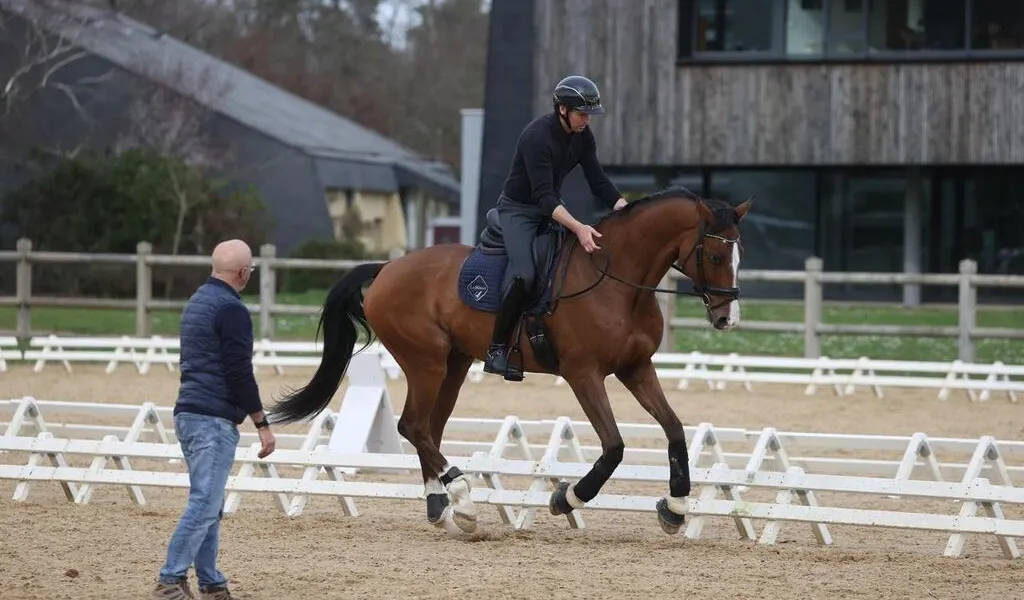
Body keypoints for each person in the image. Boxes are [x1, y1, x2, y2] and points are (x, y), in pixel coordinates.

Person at [151, 239, 277, 600]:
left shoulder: (196, 303)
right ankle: (170, 578)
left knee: (210, 502)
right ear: (243, 272)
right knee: (206, 502)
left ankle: (211, 582)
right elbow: (239, 373)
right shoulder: (231, 309)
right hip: (213, 418)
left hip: (188, 412)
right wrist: (262, 423)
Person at [483, 74, 628, 381]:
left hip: (549, 208)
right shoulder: (537, 137)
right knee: (525, 274)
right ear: (562, 109)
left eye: (590, 114)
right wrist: (578, 227)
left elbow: (598, 181)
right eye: (582, 113)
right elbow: (544, 196)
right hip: (519, 211)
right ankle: (496, 350)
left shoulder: (583, 136)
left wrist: (624, 207)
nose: (587, 120)